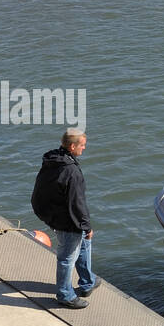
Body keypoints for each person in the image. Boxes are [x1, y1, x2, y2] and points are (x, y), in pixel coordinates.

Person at [31, 128, 99, 308]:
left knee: (84, 245)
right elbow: (77, 203)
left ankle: (87, 282)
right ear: (72, 146)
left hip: (52, 213)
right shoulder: (72, 172)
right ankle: (65, 295)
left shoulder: (53, 160)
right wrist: (87, 226)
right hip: (67, 221)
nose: (84, 149)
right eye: (82, 145)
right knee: (67, 257)